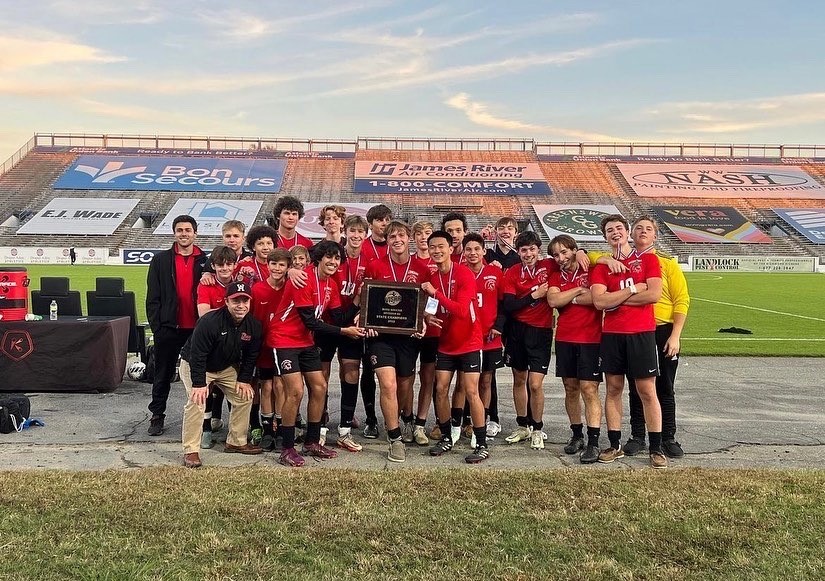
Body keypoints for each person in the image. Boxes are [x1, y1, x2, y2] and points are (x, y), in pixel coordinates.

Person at [268, 240, 365, 467]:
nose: (333, 262)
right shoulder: (304, 278)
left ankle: (312, 442)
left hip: (305, 341)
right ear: (319, 259)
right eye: (328, 257)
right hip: (284, 340)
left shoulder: (329, 283)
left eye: (337, 259)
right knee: (296, 391)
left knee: (320, 387)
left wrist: (359, 300)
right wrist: (344, 331)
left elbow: (340, 317)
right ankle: (288, 447)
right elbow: (310, 321)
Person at [590, 214, 666, 469]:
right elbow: (600, 302)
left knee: (647, 391)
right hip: (612, 336)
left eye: (619, 228)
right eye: (610, 230)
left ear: (627, 233)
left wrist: (615, 298)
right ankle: (614, 444)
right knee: (613, 390)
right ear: (605, 237)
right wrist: (633, 290)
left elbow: (654, 294)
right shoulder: (601, 267)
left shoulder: (648, 260)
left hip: (641, 334)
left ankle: (656, 448)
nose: (615, 232)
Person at [617, 217, 690, 459]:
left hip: (662, 330)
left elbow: (682, 300)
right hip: (636, 330)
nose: (643, 232)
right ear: (631, 234)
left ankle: (667, 437)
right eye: (638, 228)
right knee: (637, 387)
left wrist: (676, 336)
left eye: (648, 229)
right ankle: (638, 435)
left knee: (664, 386)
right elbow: (594, 255)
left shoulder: (667, 265)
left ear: (655, 236)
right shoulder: (625, 262)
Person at [361, 220, 431, 462]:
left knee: (404, 385)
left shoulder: (422, 267)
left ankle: (407, 419)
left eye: (401, 235)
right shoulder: (374, 265)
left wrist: (424, 320)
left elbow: (429, 299)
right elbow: (365, 299)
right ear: (387, 240)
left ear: (409, 237)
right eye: (392, 237)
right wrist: (366, 323)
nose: (397, 240)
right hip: (380, 337)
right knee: (387, 384)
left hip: (408, 338)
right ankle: (395, 438)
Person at [180, 281, 263, 468]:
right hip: (195, 364)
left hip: (224, 367)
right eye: (236, 301)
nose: (241, 306)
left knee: (244, 395)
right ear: (226, 301)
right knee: (197, 401)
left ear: (250, 302)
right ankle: (191, 450)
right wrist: (200, 384)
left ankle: (236, 441)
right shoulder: (210, 321)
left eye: (245, 301)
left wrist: (244, 380)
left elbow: (251, 356)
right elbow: (197, 354)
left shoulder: (254, 326)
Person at [423, 230, 490, 464]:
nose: (437, 251)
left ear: (451, 249)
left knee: (471, 391)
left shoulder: (463, 273)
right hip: (447, 344)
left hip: (469, 341)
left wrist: (436, 294)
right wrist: (427, 317)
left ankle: (481, 443)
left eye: (441, 246)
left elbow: (462, 311)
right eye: (433, 247)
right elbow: (431, 308)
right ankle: (446, 436)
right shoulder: (433, 278)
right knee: (440, 389)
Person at [146, 214, 208, 436]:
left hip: (197, 330)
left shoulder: (206, 261)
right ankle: (157, 415)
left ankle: (203, 419)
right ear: (174, 233)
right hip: (169, 328)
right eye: (180, 230)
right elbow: (152, 297)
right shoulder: (161, 260)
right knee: (162, 373)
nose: (184, 233)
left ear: (195, 233)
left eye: (188, 230)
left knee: (199, 375)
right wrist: (157, 327)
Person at [547, 235, 603, 464]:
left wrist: (567, 297)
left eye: (564, 252)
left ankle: (594, 441)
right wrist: (578, 290)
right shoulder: (555, 274)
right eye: (556, 255)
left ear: (574, 250)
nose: (560, 258)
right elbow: (553, 301)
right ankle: (577, 434)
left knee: (589, 389)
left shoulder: (592, 268)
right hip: (565, 337)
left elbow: (597, 299)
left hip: (591, 338)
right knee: (570, 388)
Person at [501, 231, 554, 450]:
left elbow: (573, 256)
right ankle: (523, 425)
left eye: (532, 249)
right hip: (517, 330)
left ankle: (538, 428)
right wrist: (534, 295)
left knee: (535, 383)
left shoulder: (549, 266)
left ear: (538, 250)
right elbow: (510, 305)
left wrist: (580, 251)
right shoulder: (513, 272)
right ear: (518, 252)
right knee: (519, 379)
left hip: (541, 331)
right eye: (523, 250)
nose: (528, 253)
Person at [462, 233, 505, 447]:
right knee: (467, 382)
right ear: (463, 252)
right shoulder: (458, 273)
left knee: (486, 380)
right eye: (468, 249)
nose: (472, 253)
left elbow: (504, 302)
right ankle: (467, 420)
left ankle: (485, 418)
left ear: (483, 251)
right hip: (465, 337)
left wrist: (499, 326)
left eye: (476, 249)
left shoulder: (495, 272)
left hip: (489, 336)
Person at [196, 245, 238, 449]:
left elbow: (245, 312)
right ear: (213, 266)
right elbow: (203, 315)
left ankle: (235, 430)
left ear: (234, 265)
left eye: (229, 264)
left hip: (233, 344)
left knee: (235, 388)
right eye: (220, 265)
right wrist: (230, 312)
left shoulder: (239, 283)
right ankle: (205, 428)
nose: (224, 268)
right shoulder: (206, 284)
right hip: (211, 344)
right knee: (207, 387)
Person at [251, 248, 291, 451]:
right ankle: (267, 430)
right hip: (263, 347)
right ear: (267, 266)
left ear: (287, 267)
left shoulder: (291, 287)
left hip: (283, 346)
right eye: (273, 264)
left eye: (282, 265)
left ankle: (282, 428)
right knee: (265, 387)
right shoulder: (257, 289)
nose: (277, 268)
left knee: (281, 386)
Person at [359, 203, 394, 437]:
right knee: (367, 370)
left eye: (387, 219)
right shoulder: (362, 247)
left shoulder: (397, 246)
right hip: (369, 318)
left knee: (392, 374)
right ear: (370, 224)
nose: (384, 223)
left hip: (393, 320)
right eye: (380, 220)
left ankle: (397, 417)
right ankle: (371, 418)